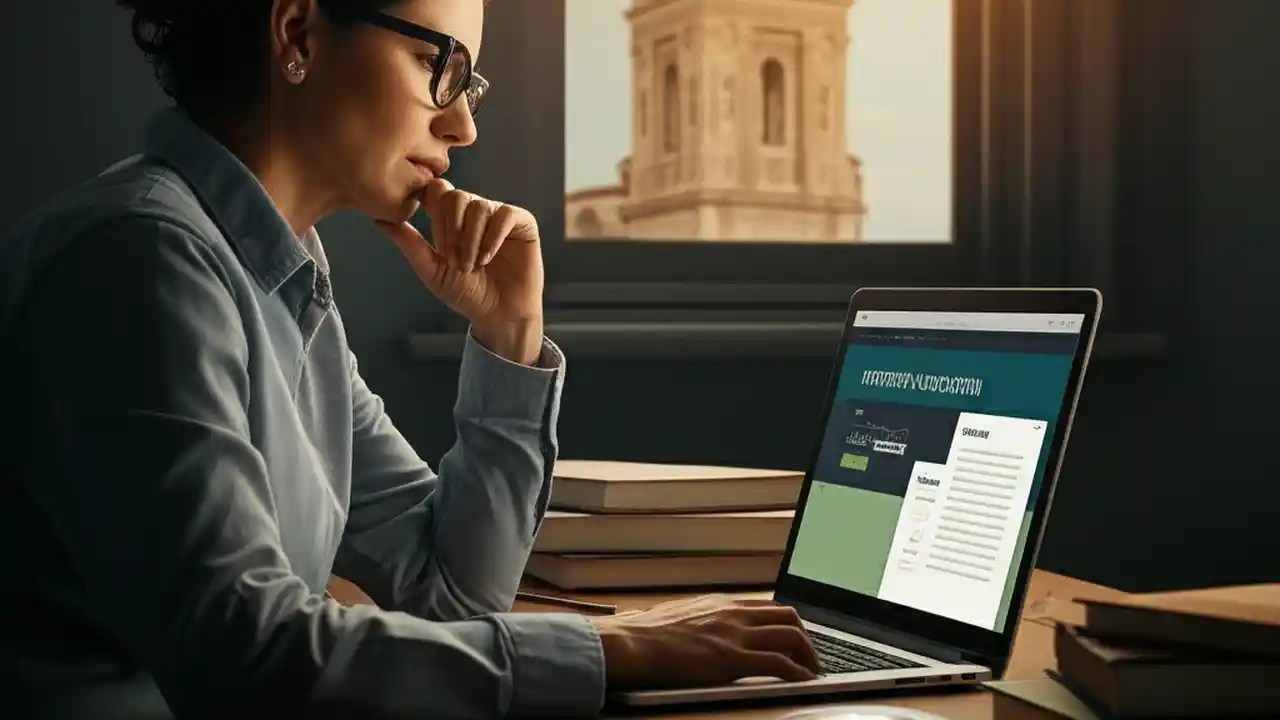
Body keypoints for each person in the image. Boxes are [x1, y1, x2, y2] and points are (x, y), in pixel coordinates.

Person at [0, 0, 820, 716]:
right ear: (296, 31)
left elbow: (448, 589)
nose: (463, 123)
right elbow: (242, 656)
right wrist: (614, 652)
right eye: (438, 63)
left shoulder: (279, 278)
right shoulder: (140, 259)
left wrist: (510, 333)